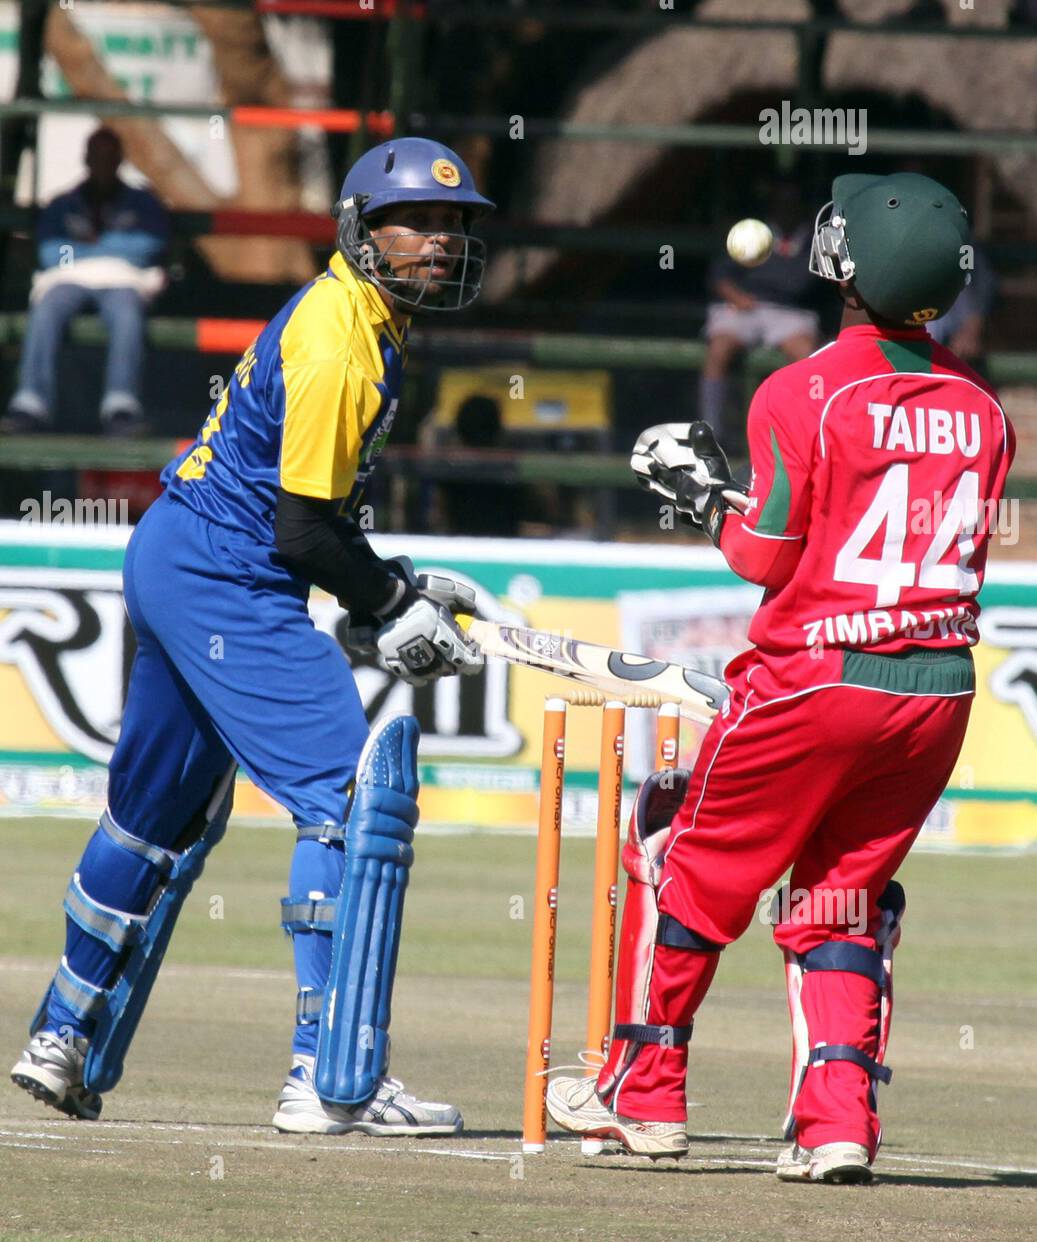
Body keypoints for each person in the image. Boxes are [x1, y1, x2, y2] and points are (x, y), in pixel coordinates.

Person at [10, 137, 494, 1137]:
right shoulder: (336, 341)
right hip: (226, 576)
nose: (440, 245)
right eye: (419, 226)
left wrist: (389, 589)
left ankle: (60, 1035)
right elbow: (303, 529)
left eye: (453, 228)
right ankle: (327, 1074)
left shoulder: (357, 318)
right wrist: (386, 607)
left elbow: (309, 510)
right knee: (351, 803)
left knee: (156, 820)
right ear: (362, 231)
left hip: (177, 554)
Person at [547, 172, 1014, 1183]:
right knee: (841, 897)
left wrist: (697, 490)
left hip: (811, 679)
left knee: (675, 847)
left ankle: (643, 1093)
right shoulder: (983, 410)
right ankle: (835, 1119)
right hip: (932, 691)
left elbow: (764, 557)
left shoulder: (798, 388)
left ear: (845, 269)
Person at [2, 127, 169, 438]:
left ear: (120, 160)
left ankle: (120, 406)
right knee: (46, 308)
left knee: (126, 314)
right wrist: (107, 246)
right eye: (97, 156)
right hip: (69, 278)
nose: (103, 163)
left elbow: (147, 245)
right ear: (86, 159)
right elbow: (51, 252)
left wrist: (92, 246)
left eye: (110, 156)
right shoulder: (64, 203)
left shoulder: (142, 203)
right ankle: (31, 401)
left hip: (123, 278)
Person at [699, 184, 819, 438]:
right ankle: (710, 432)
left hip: (790, 313)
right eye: (780, 202)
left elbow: (810, 285)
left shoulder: (814, 239)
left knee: (808, 358)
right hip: (745, 307)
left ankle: (806, 433)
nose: (786, 208)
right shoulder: (751, 233)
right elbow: (719, 276)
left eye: (792, 202)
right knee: (719, 348)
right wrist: (736, 297)